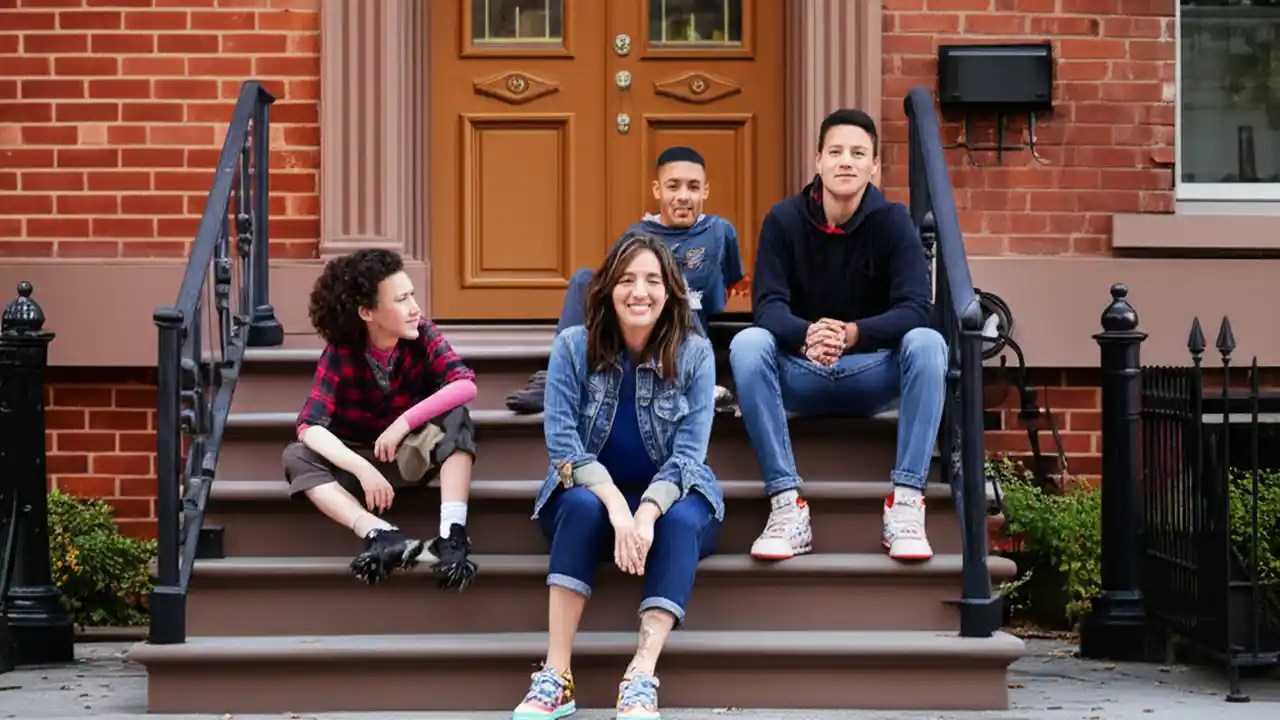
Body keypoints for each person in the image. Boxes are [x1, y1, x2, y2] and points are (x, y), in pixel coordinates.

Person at [512, 233, 724, 720]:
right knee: (584, 505)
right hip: (589, 496)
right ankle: (556, 675)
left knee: (681, 519)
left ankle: (641, 675)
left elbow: (689, 456)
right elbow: (564, 448)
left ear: (669, 291)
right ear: (607, 289)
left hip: (673, 495)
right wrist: (616, 506)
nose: (639, 292)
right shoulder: (572, 347)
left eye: (652, 280)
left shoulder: (694, 353)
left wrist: (646, 512)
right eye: (627, 280)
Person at [729, 108, 947, 563]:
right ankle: (787, 508)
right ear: (818, 160)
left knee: (928, 343)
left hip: (872, 374)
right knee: (748, 344)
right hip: (800, 372)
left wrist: (851, 335)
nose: (845, 161)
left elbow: (915, 308)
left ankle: (906, 505)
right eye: (835, 152)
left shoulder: (892, 222)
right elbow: (767, 307)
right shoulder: (783, 221)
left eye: (857, 153)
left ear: (874, 167)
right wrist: (809, 335)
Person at [281, 249, 481, 589]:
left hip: (413, 456)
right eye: (401, 299)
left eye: (412, 295)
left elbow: (464, 385)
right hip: (361, 469)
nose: (414, 307)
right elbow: (309, 425)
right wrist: (363, 469)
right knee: (296, 456)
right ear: (367, 312)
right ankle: (381, 533)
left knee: (457, 414)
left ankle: (452, 535)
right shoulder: (341, 352)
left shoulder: (423, 334)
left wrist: (402, 423)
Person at [505, 145, 745, 415]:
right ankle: (556, 378)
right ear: (657, 190)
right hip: (639, 332)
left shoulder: (720, 231)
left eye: (693, 187)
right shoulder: (637, 235)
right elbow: (614, 290)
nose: (683, 197)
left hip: (686, 336)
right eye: (673, 187)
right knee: (585, 279)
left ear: (705, 191)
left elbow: (734, 283)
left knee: (676, 297)